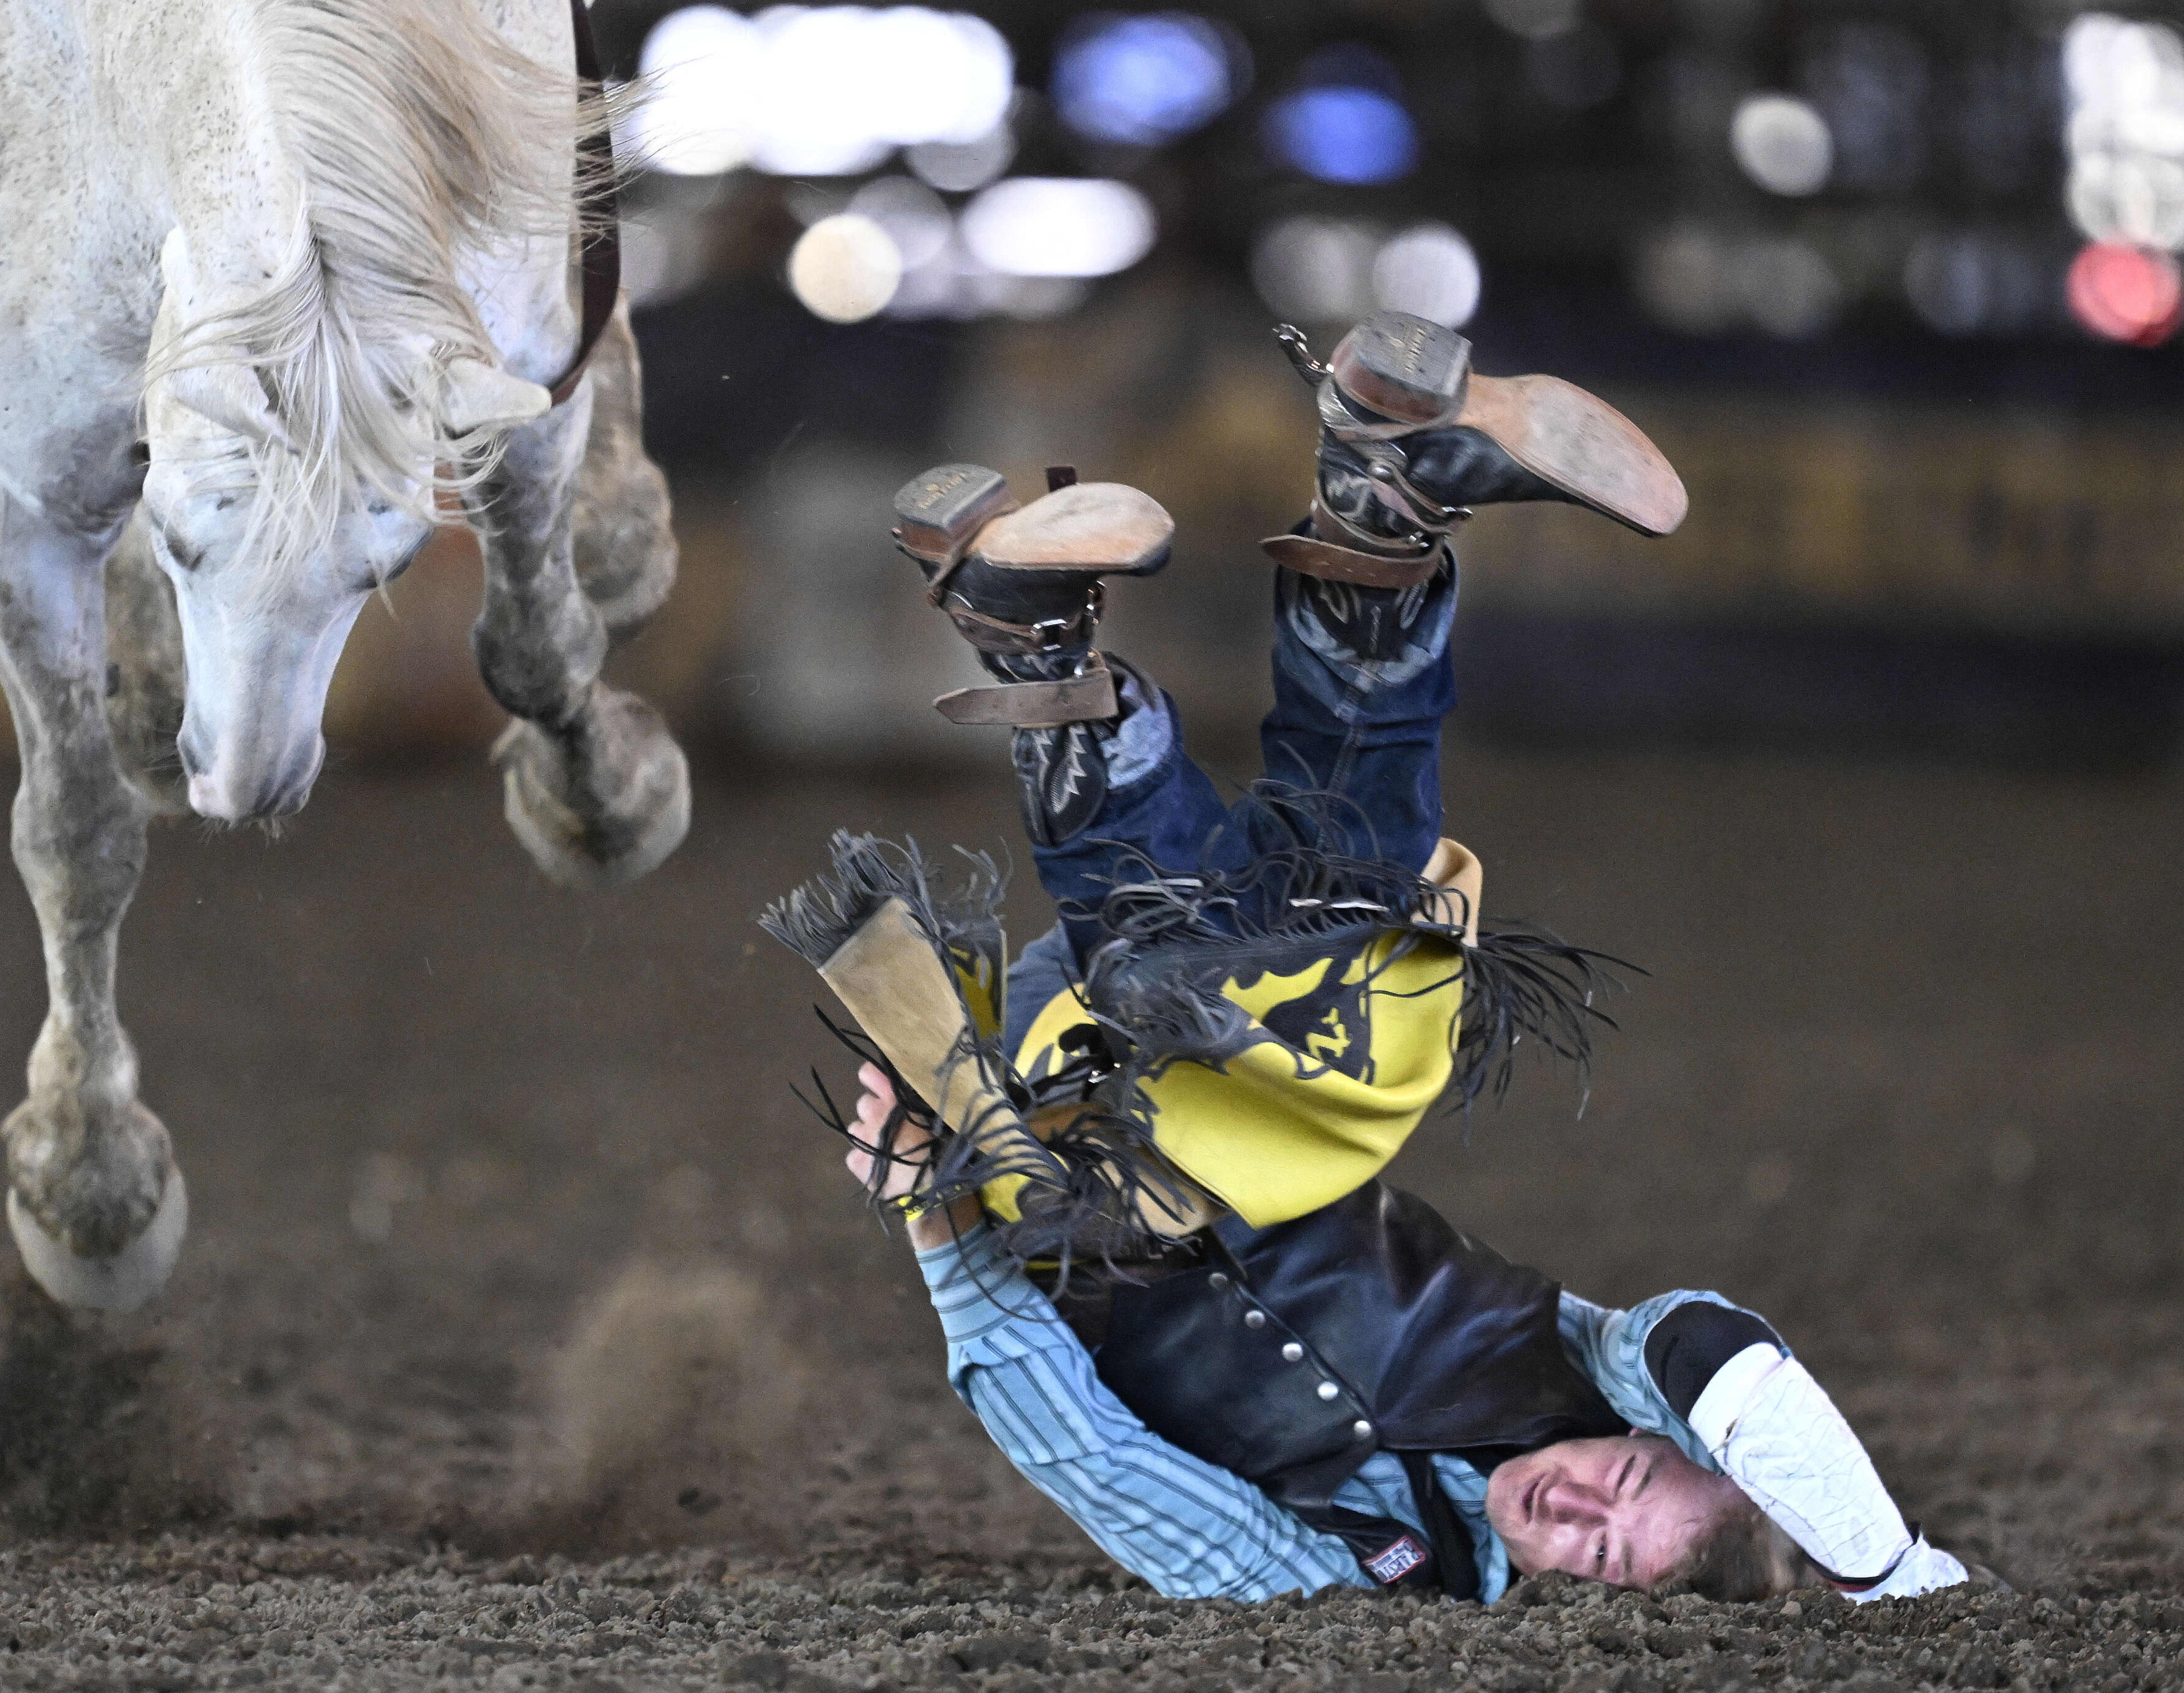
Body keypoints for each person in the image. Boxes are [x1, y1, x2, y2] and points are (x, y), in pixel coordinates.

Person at [764, 312, 1972, 1605]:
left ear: (1607, 1622)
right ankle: (1139, 606)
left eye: (1599, 1553)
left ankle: (1270, 560)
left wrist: (939, 1226)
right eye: (1621, 1479)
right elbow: (1713, 1349)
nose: (1573, 1502)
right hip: (1265, 1055)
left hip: (1072, 1138)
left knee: (1243, 1012)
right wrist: (1885, 1573)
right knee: (1358, 930)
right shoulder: (1584, 1370)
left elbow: (1103, 1462)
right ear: (1649, 1438)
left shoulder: (1362, 1587)